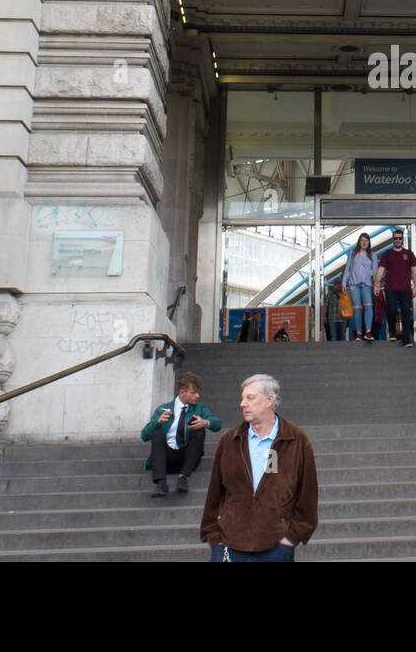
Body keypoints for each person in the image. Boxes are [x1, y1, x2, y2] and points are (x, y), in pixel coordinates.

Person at [200, 374, 318, 562]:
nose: (242, 404)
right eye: (242, 398)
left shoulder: (296, 440)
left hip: (276, 548)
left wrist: (292, 537)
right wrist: (214, 537)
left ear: (269, 400)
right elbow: (215, 493)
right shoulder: (229, 441)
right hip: (229, 546)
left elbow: (308, 496)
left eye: (250, 398)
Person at [141, 372, 222, 496]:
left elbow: (218, 424)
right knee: (157, 434)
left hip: (187, 457)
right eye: (193, 392)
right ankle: (161, 483)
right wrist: (157, 423)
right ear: (182, 392)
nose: (197, 396)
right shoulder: (164, 409)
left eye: (197, 392)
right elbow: (144, 436)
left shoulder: (199, 408)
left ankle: (183, 477)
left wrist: (205, 422)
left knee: (199, 431)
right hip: (166, 457)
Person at [374, 227, 416, 348]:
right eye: (396, 238)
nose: (398, 240)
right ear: (392, 240)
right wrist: (376, 284)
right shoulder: (387, 254)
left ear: (402, 239)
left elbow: (414, 270)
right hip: (390, 288)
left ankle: (406, 338)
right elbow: (381, 270)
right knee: (392, 310)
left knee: (405, 312)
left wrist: (415, 286)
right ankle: (392, 332)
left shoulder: (409, 254)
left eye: (400, 238)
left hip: (405, 289)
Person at [343, 232, 377, 341]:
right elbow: (347, 269)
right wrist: (344, 283)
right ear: (359, 241)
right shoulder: (352, 253)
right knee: (357, 308)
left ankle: (368, 331)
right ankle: (358, 333)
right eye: (362, 240)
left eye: (366, 240)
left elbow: (375, 272)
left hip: (366, 285)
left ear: (369, 242)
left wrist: (377, 286)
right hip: (354, 285)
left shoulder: (373, 255)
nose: (364, 242)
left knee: (368, 306)